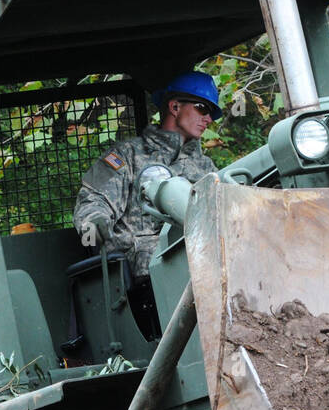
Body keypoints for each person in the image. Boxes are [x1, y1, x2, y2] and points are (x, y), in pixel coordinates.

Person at [73, 71, 221, 336]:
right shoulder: (128, 155)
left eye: (211, 112)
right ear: (174, 107)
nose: (208, 118)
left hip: (202, 270)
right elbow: (91, 206)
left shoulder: (206, 168)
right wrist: (99, 234)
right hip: (143, 282)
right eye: (202, 108)